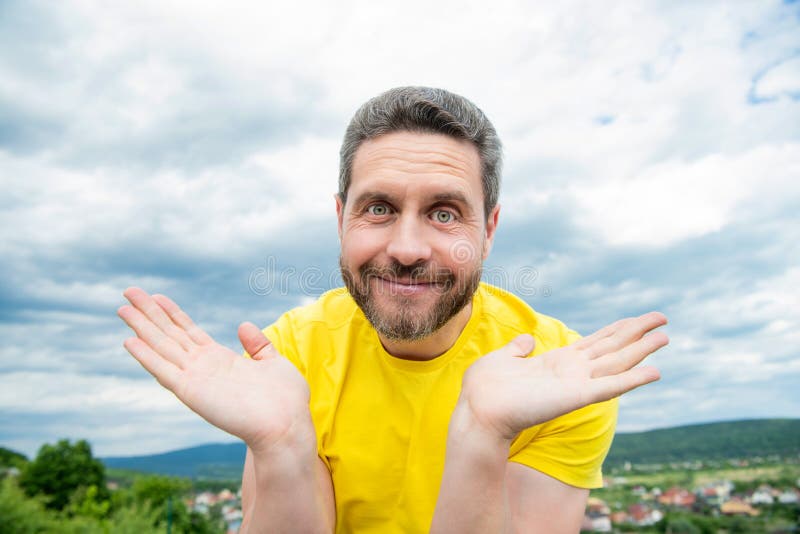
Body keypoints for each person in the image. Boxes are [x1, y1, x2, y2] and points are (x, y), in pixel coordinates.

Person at [117, 86, 669, 533]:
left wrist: (483, 435)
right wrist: (283, 446)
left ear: (489, 231)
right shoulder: (289, 357)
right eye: (378, 208)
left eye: (445, 213)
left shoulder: (559, 376)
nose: (407, 249)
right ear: (341, 220)